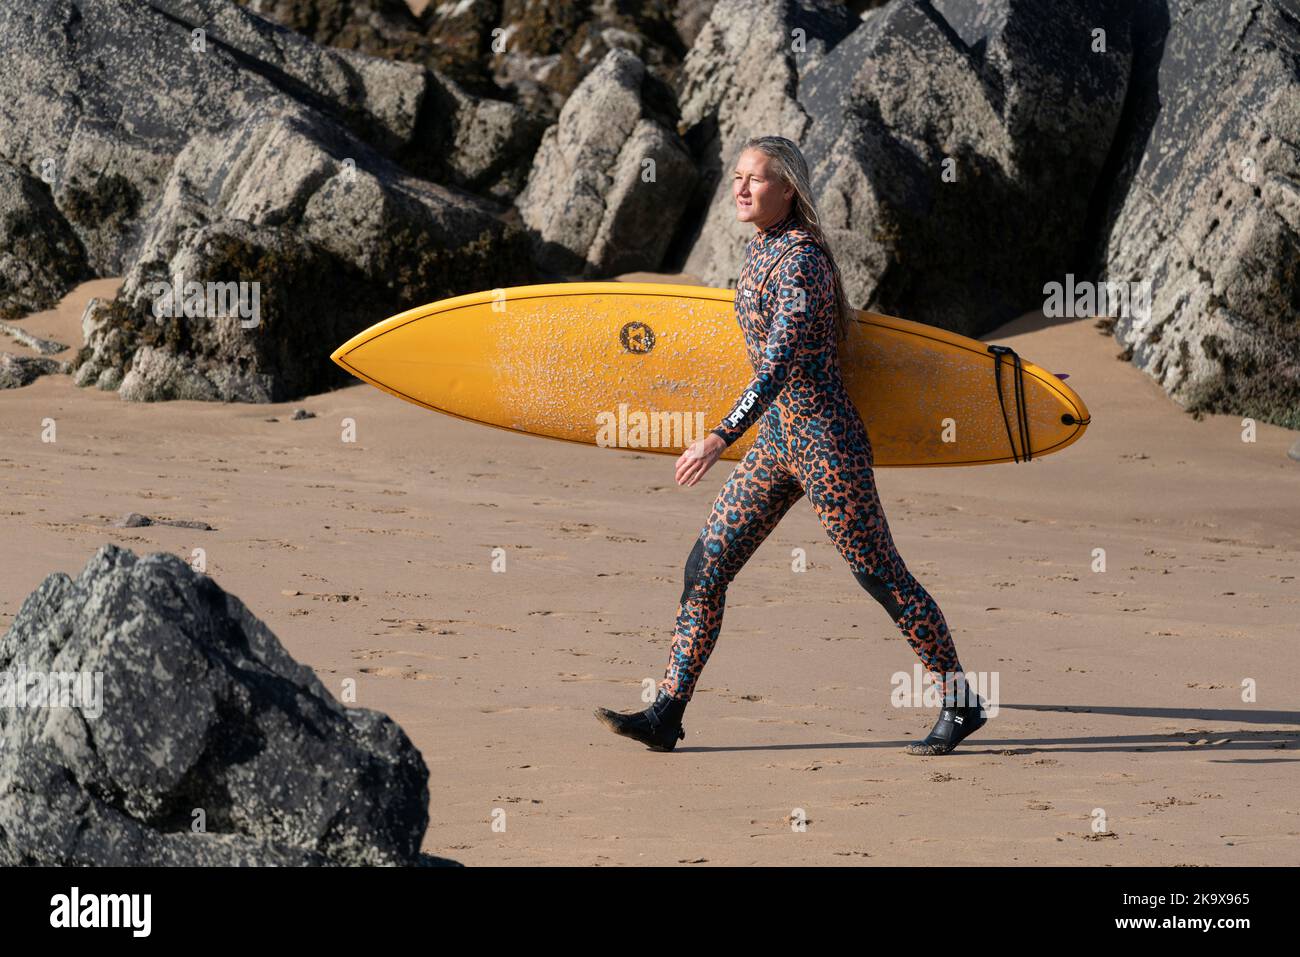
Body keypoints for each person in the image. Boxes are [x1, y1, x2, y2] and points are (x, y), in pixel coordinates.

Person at [594, 135, 986, 756]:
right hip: (778, 441)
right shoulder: (762, 249)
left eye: (756, 179)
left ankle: (960, 701)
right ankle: (667, 711)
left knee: (879, 574)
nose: (741, 188)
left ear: (788, 190)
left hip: (826, 444)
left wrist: (720, 434)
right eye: (738, 177)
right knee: (706, 565)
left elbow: (777, 363)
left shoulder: (801, 260)